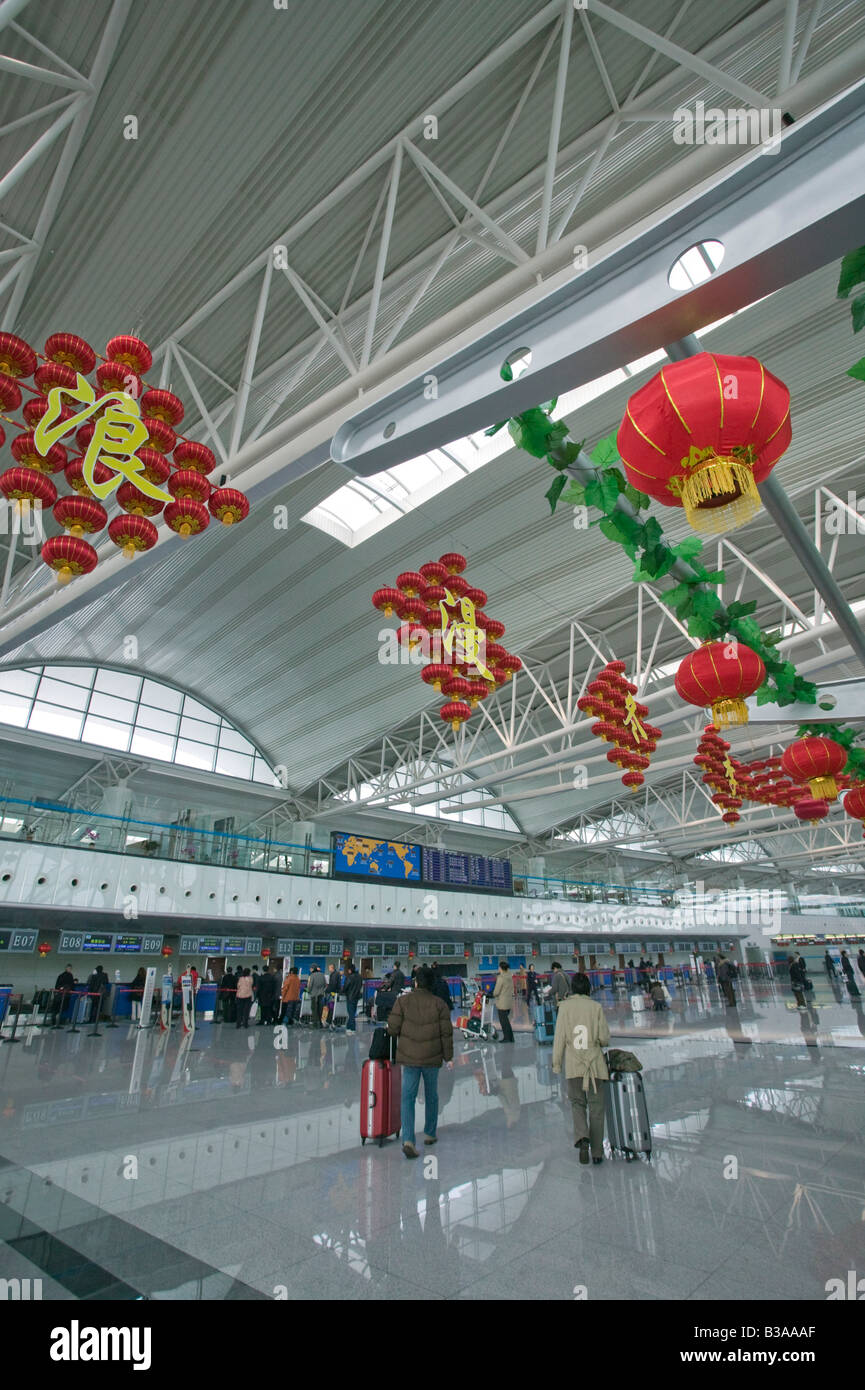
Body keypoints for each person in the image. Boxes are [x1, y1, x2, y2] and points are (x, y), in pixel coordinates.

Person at [387, 965, 454, 1159]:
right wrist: (448, 1057)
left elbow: (392, 1028)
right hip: (432, 1058)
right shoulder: (439, 1004)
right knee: (431, 1095)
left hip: (410, 1057)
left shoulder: (403, 1002)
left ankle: (408, 1139)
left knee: (407, 1097)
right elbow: (446, 1034)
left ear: (415, 982)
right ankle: (430, 1133)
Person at [552, 972, 610, 1165]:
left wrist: (556, 1064)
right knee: (596, 1108)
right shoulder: (596, 1007)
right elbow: (604, 1038)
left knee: (577, 1105)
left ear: (572, 989)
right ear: (588, 988)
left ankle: (582, 1138)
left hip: (574, 1065)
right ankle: (597, 1152)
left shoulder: (564, 1008)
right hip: (595, 1066)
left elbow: (559, 1038)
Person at [492, 961, 515, 1042]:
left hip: (502, 1003)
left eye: (499, 967)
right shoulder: (510, 976)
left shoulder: (501, 978)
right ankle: (511, 1038)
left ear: (501, 968)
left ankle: (507, 1038)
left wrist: (493, 994)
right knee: (506, 1021)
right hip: (509, 1002)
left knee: (504, 1022)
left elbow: (496, 991)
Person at [342, 964, 362, 1032]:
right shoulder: (359, 977)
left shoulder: (350, 977)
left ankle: (352, 1028)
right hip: (356, 997)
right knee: (353, 1012)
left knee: (351, 1013)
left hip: (350, 997)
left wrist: (342, 991)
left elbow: (346, 986)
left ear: (350, 970)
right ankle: (348, 1026)